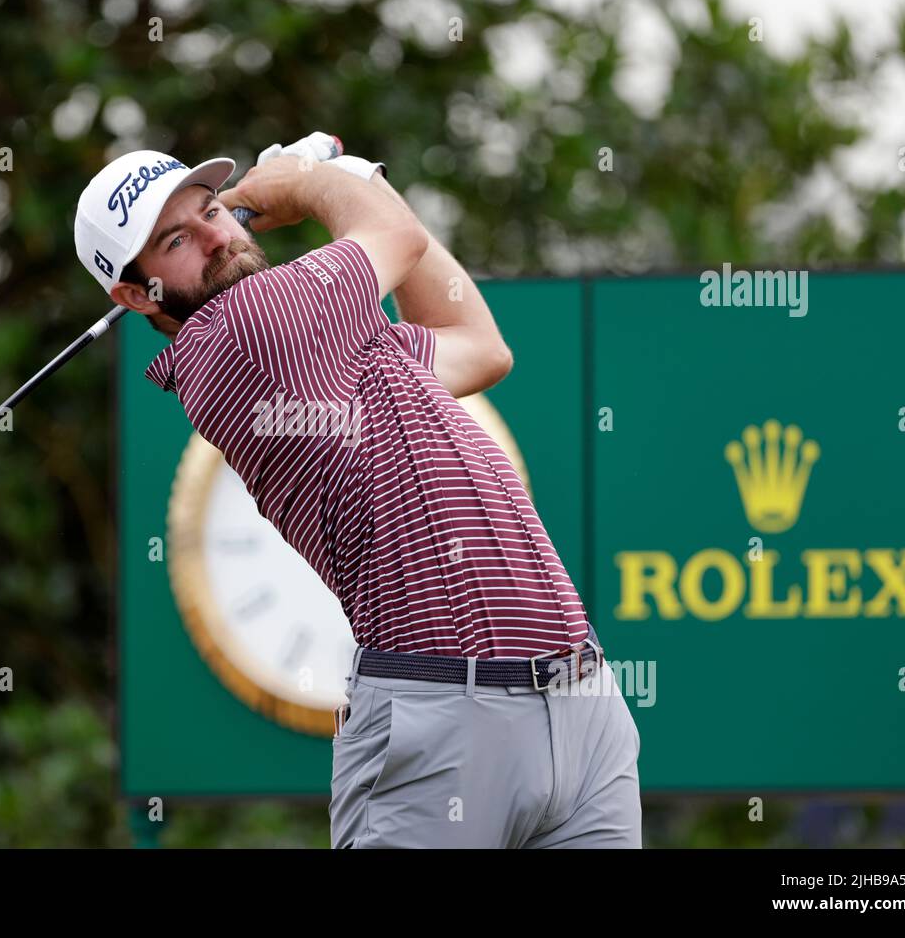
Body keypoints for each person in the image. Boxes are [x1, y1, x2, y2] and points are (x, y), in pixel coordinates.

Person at [74, 135, 641, 848]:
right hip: (439, 718)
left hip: (578, 702)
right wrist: (312, 181)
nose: (217, 236)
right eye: (177, 240)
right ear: (133, 294)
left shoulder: (343, 346)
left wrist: (357, 178)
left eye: (212, 209)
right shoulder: (246, 329)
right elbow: (392, 235)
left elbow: (479, 342)